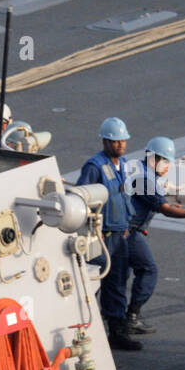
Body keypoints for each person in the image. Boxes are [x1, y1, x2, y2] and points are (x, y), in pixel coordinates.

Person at [77, 117, 141, 352]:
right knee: (96, 281)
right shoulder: (94, 167)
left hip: (120, 234)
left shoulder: (123, 164)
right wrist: (93, 231)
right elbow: (83, 199)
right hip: (102, 236)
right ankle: (88, 328)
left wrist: (126, 223)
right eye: (115, 142)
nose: (120, 145)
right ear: (105, 141)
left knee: (118, 281)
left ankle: (116, 330)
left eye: (123, 141)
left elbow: (123, 196)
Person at [121, 136, 185, 336]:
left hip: (123, 231)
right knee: (148, 269)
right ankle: (131, 317)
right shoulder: (145, 179)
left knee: (118, 277)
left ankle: (115, 318)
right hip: (130, 231)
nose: (168, 166)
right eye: (166, 161)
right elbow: (165, 209)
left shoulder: (143, 173)